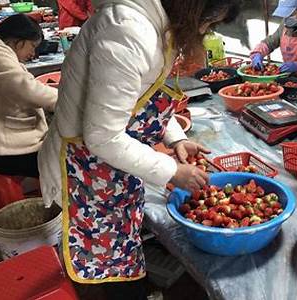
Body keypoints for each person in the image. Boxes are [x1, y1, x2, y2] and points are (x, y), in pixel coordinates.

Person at [37, 0, 240, 298]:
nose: (206, 32)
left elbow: (143, 96)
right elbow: (103, 136)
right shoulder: (128, 31)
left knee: (122, 257)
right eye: (208, 23)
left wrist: (175, 139)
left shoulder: (155, 26)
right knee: (104, 271)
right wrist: (171, 170)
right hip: (84, 172)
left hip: (110, 168)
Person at [0, 14, 57, 178]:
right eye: (32, 46)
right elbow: (31, 91)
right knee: (67, 161)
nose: (33, 53)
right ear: (19, 41)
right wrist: (70, 99)